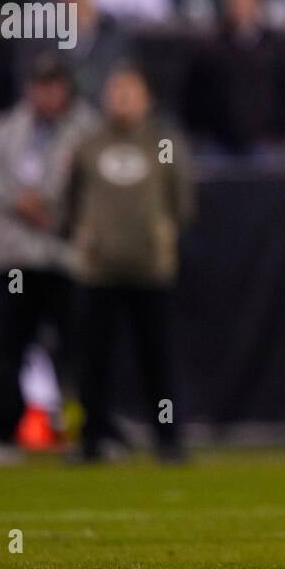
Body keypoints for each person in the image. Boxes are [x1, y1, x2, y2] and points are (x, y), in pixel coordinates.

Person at [67, 62, 195, 462]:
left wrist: (161, 235)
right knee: (94, 361)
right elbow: (72, 197)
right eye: (116, 91)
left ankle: (168, 439)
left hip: (150, 267)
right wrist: (87, 238)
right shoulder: (89, 143)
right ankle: (91, 439)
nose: (122, 101)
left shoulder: (163, 142)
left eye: (130, 92)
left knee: (158, 360)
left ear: (146, 98)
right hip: (99, 267)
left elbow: (182, 201)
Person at [0, 55, 97, 463]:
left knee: (76, 349)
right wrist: (19, 203)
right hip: (15, 255)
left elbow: (97, 186)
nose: (47, 93)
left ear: (65, 89)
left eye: (54, 85)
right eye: (40, 85)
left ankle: (83, 433)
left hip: (65, 255)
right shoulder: (6, 128)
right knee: (9, 346)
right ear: (29, 88)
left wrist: (56, 212)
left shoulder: (86, 131)